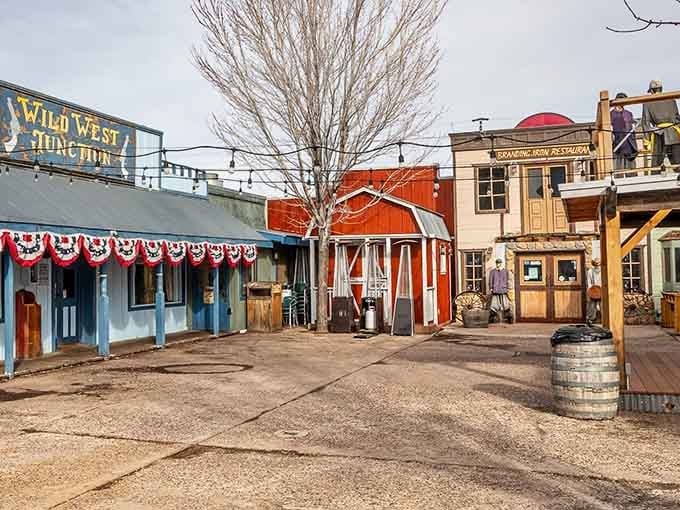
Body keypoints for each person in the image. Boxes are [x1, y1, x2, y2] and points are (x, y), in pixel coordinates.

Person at [641, 80, 680, 167]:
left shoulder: (647, 102)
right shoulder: (671, 99)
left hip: (659, 134)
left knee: (656, 166)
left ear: (651, 90)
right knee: (678, 164)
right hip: (674, 134)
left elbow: (645, 122)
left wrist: (647, 141)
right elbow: (677, 118)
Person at [611, 92, 638, 176]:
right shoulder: (610, 115)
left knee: (632, 174)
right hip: (617, 146)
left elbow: (633, 130)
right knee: (618, 173)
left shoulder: (629, 114)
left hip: (629, 147)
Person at [488, 258, 513, 324]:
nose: (498, 264)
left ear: (501, 263)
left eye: (499, 263)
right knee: (493, 305)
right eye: (497, 263)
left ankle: (509, 318)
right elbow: (490, 280)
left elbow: (507, 280)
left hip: (503, 289)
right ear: (496, 264)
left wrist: (507, 287)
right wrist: (491, 288)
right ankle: (491, 319)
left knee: (505, 304)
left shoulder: (505, 271)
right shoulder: (492, 271)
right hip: (495, 290)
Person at [587, 258, 602, 323]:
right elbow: (589, 282)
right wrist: (591, 290)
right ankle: (592, 318)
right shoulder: (590, 271)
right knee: (592, 305)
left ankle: (603, 318)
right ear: (594, 264)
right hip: (593, 290)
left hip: (602, 289)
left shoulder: (603, 270)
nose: (597, 265)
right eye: (596, 264)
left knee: (602, 305)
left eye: (598, 264)